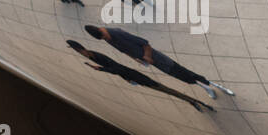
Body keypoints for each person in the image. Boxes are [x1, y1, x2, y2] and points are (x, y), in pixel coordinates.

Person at [84, 25, 233, 99]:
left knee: (183, 72)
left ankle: (213, 85)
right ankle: (205, 85)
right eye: (103, 39)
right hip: (149, 61)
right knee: (181, 76)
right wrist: (136, 59)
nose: (106, 39)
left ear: (101, 30)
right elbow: (125, 51)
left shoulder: (116, 32)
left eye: (104, 36)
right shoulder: (108, 39)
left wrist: (148, 56)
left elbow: (144, 43)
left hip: (156, 57)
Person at [66, 40, 214, 112]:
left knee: (166, 90)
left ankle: (195, 102)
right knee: (165, 90)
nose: (80, 54)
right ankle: (193, 101)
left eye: (78, 51)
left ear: (81, 49)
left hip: (135, 76)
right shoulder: (93, 57)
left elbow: (116, 68)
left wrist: (101, 69)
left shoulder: (96, 56)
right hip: (132, 77)